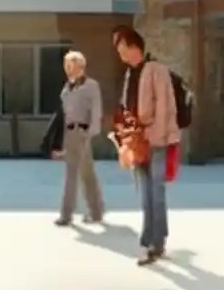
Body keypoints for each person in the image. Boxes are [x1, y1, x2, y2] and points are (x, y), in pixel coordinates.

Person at [113, 26, 179, 266]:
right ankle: (149, 239)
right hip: (137, 141)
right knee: (145, 195)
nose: (120, 56)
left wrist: (156, 136)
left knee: (156, 192)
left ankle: (156, 243)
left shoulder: (156, 71)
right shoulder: (130, 74)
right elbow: (126, 107)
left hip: (155, 139)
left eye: (122, 50)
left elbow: (165, 106)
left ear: (134, 47)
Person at [54, 50, 105, 226]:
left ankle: (95, 211)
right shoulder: (66, 88)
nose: (67, 69)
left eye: (70, 65)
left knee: (86, 174)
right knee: (72, 174)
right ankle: (67, 214)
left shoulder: (91, 85)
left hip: (83, 132)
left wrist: (91, 131)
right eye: (66, 66)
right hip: (69, 134)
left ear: (80, 66)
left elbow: (97, 109)